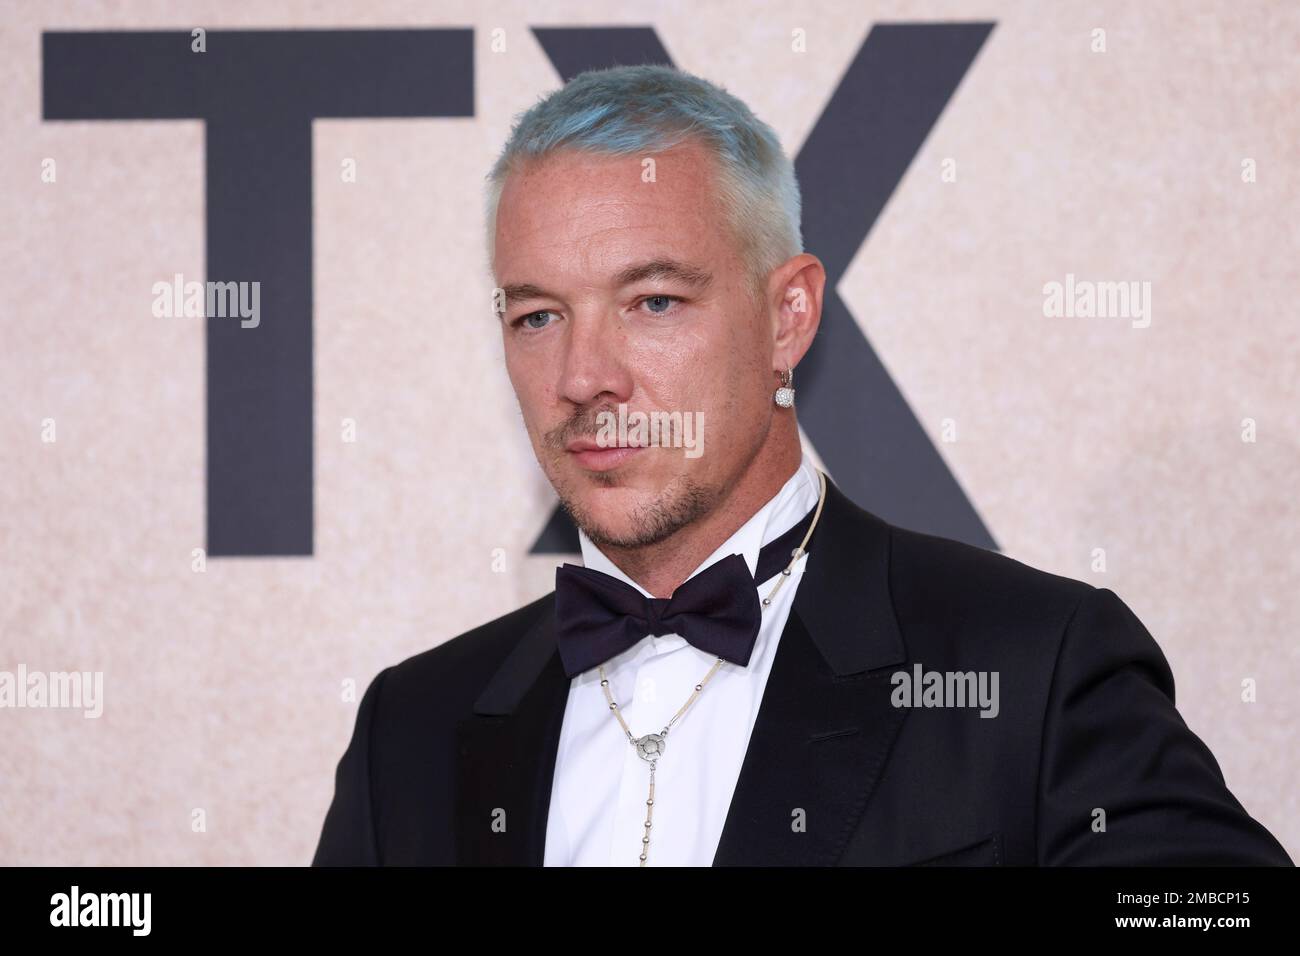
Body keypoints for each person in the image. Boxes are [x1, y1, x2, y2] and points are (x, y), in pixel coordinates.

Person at [312, 64, 1292, 867]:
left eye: (653, 302)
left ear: (788, 316)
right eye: (537, 316)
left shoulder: (1029, 666)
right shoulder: (412, 729)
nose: (581, 376)